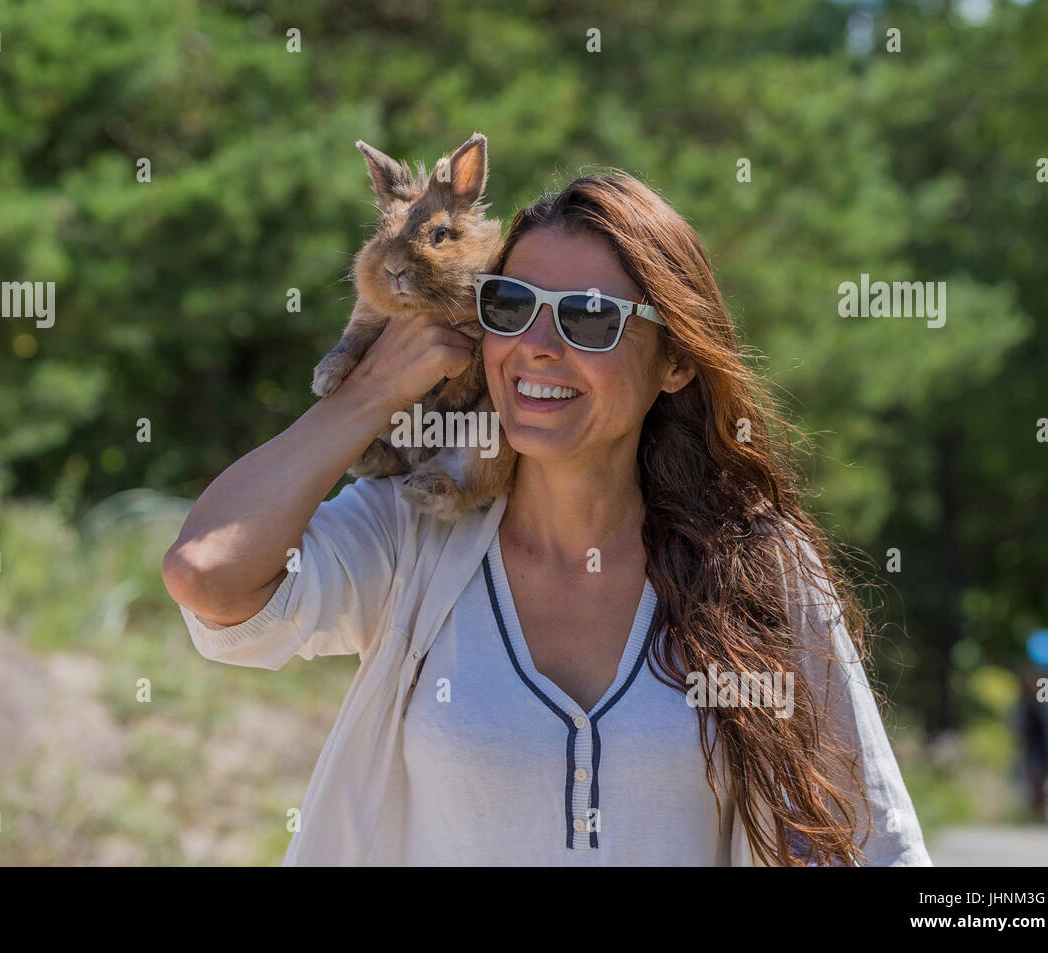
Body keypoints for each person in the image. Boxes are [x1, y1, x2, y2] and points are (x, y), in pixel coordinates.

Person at [162, 171, 932, 866]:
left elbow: (875, 848)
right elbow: (208, 575)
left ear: (675, 361)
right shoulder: (412, 537)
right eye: (511, 306)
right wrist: (368, 395)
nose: (537, 347)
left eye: (590, 318)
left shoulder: (755, 562)